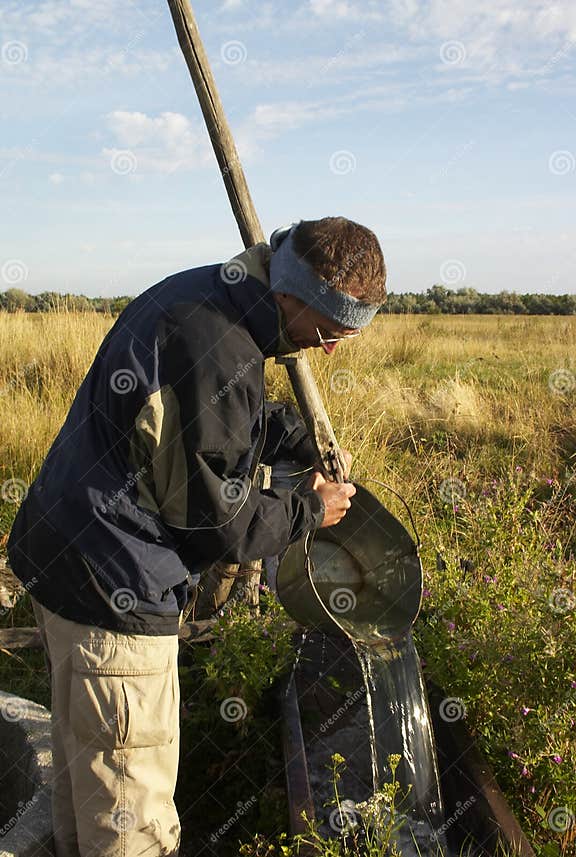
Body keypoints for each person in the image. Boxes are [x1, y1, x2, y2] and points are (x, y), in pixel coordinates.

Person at [7, 215, 386, 857]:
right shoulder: (223, 349)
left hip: (66, 563)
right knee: (131, 818)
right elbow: (217, 524)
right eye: (327, 332)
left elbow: (211, 419)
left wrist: (293, 433)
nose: (326, 351)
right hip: (115, 593)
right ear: (291, 294)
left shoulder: (206, 296)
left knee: (85, 790)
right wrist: (307, 511)